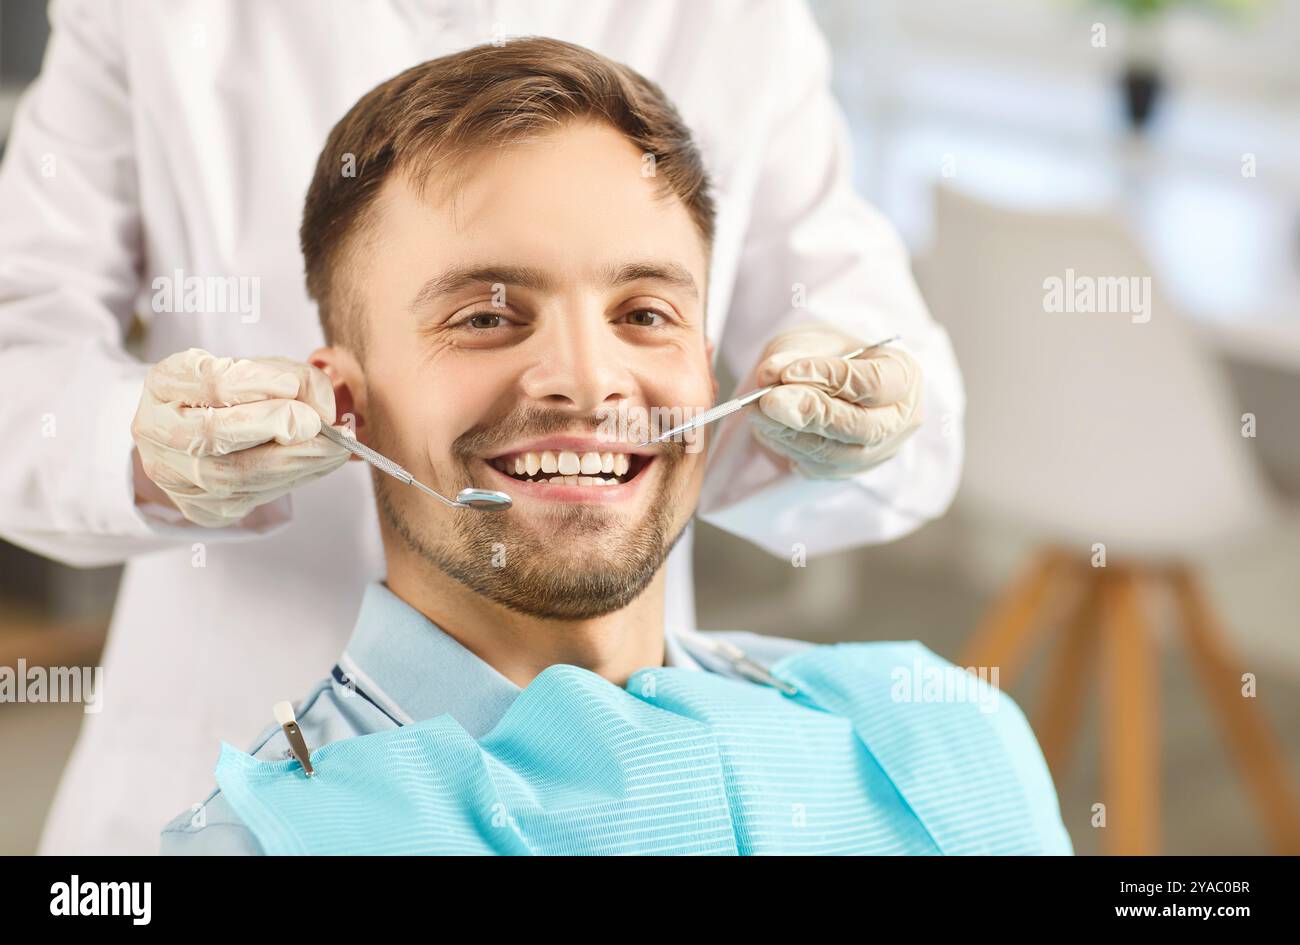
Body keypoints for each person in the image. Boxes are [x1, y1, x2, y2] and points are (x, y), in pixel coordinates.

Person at [0, 0, 963, 855]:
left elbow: (902, 392)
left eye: (642, 312)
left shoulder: (736, 23)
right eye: (486, 317)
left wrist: (837, 408)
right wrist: (150, 451)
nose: (583, 380)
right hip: (230, 712)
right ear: (344, 393)